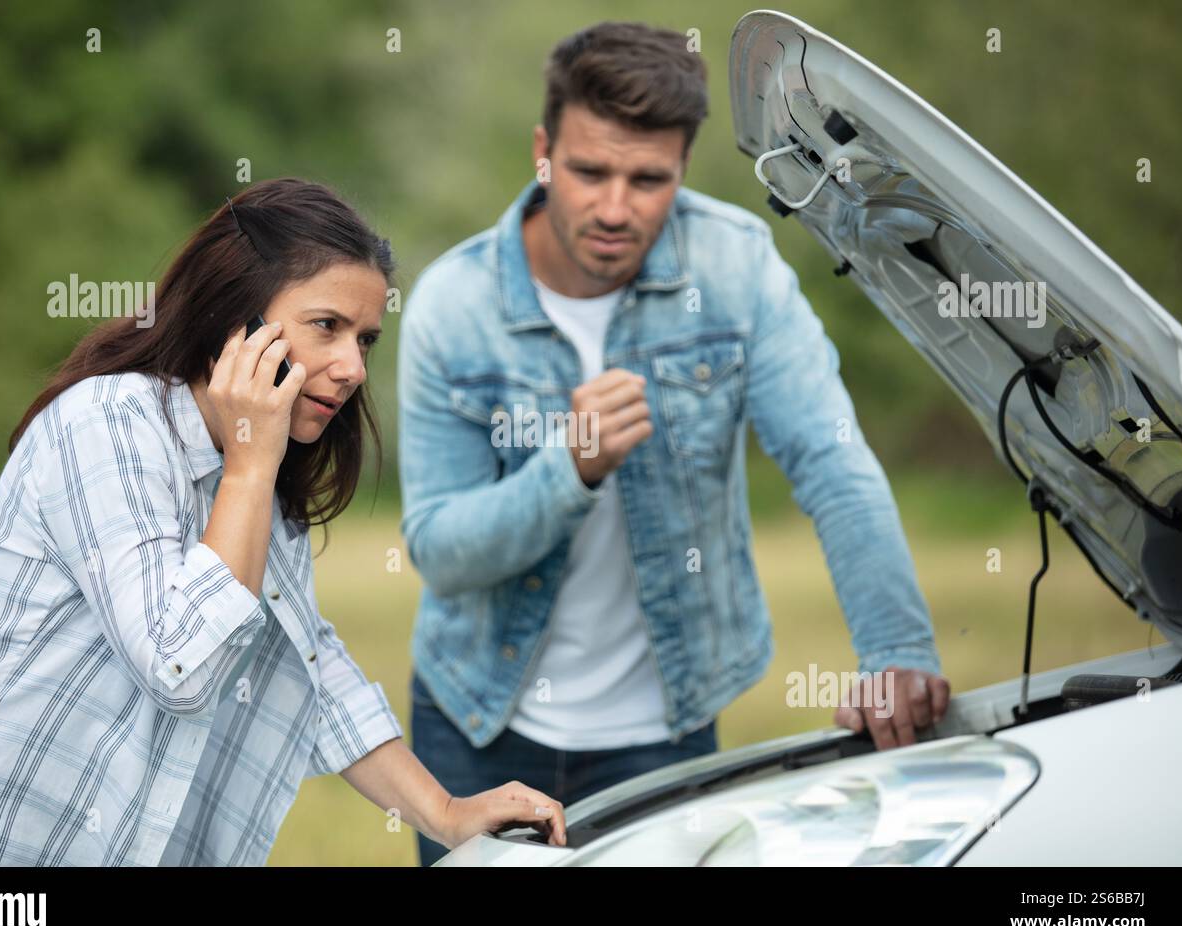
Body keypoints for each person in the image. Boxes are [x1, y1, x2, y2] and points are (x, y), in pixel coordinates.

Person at [397, 22, 951, 867]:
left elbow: (830, 459)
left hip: (668, 730)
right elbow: (439, 550)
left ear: (684, 167)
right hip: (476, 726)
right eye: (589, 171)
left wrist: (898, 651)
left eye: (648, 179)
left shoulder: (736, 268)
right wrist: (568, 470)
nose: (615, 208)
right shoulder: (452, 305)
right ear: (544, 151)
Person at [0, 177, 564, 866]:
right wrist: (250, 467)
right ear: (235, 321)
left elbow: (313, 666)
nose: (353, 368)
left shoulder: (255, 475)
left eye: (365, 339)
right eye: (327, 327)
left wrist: (447, 814)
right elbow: (179, 666)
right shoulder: (108, 424)